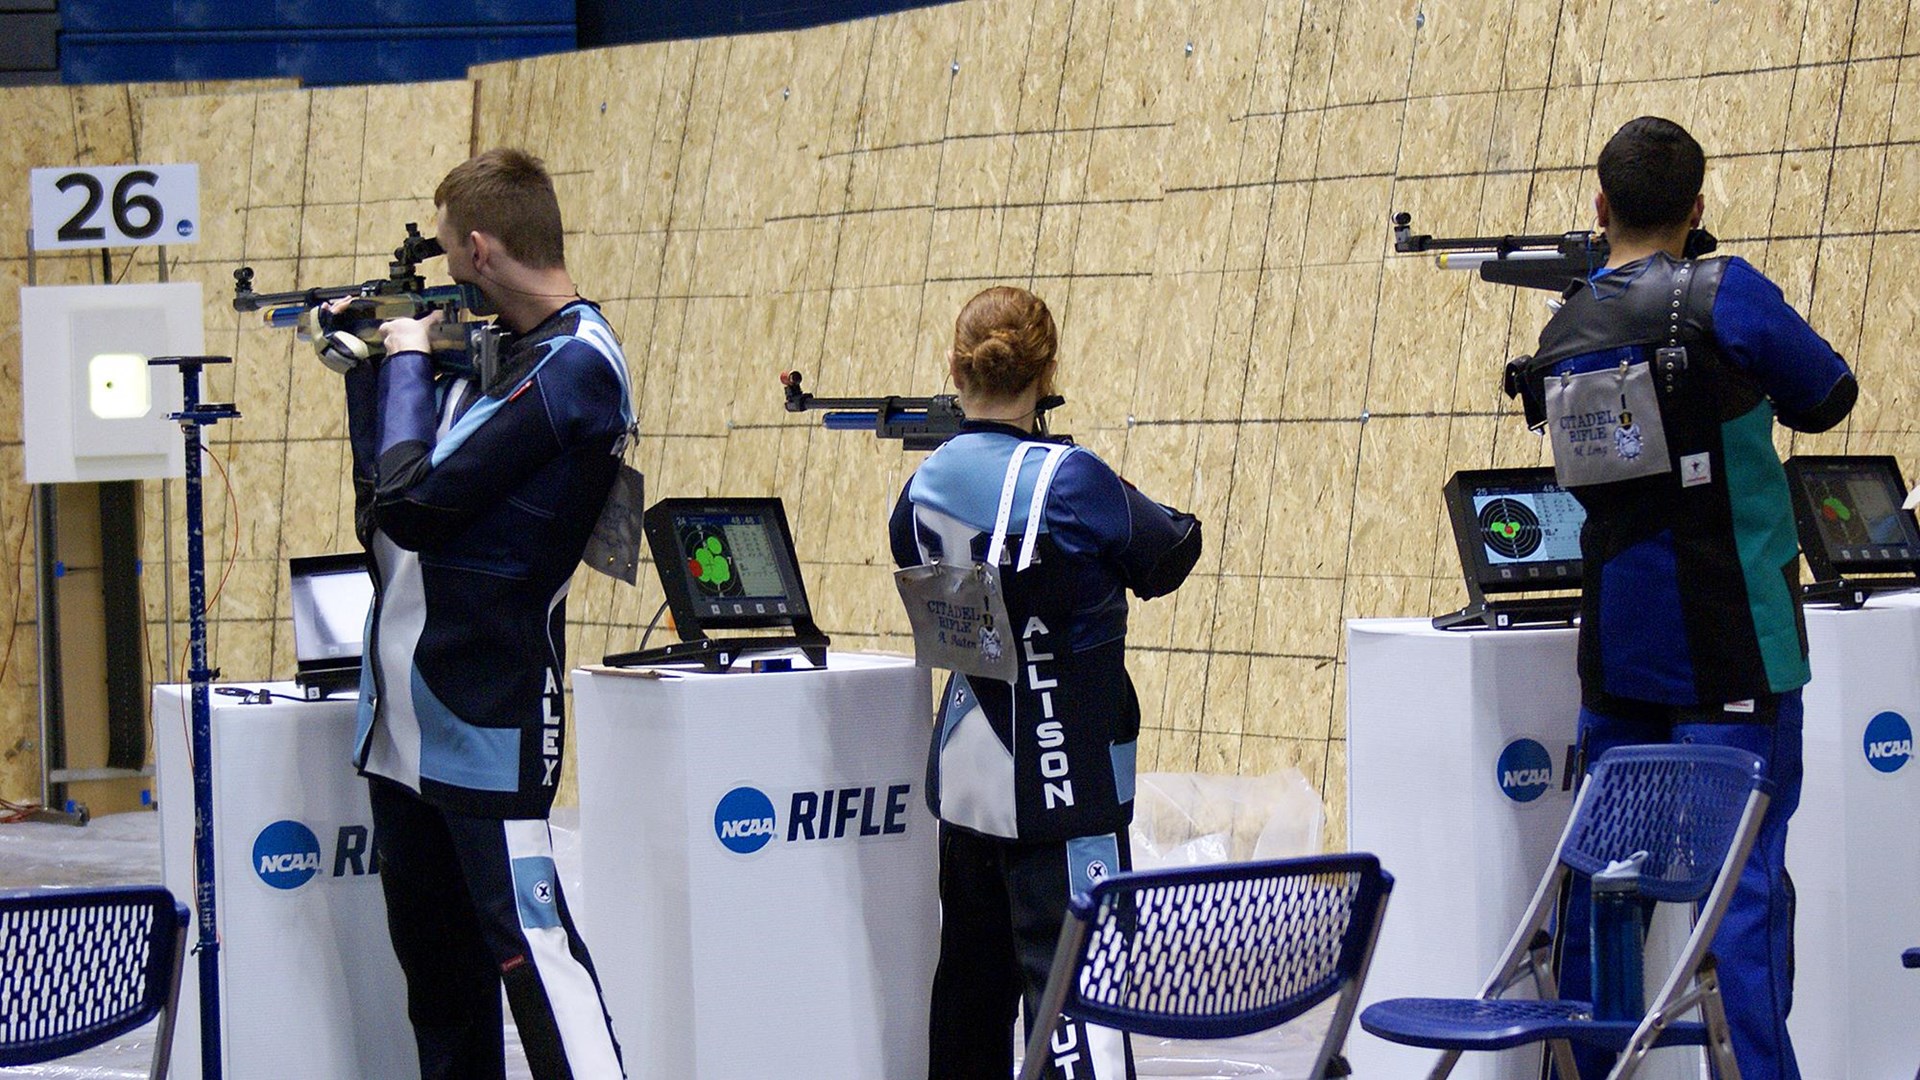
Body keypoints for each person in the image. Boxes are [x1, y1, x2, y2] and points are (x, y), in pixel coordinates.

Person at [1514, 117, 1856, 1080]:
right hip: (1735, 647)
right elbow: (1829, 393)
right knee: (1739, 900)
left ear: (1600, 207)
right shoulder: (1723, 294)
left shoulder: (1565, 324)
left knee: (1604, 892)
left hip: (1618, 654)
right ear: (1698, 209)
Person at [341, 148, 631, 1080]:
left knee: (534, 961)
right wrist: (378, 369)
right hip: (400, 722)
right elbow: (379, 505)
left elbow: (418, 504)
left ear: (477, 250)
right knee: (441, 985)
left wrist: (405, 368)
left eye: (450, 258)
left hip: (484, 710)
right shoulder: (497, 357)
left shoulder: (576, 368)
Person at [889, 286, 1203, 1080]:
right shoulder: (1071, 480)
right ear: (1048, 369)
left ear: (955, 368)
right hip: (1062, 792)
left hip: (968, 783)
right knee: (1078, 1014)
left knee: (967, 1002)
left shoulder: (921, 486)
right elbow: (1170, 552)